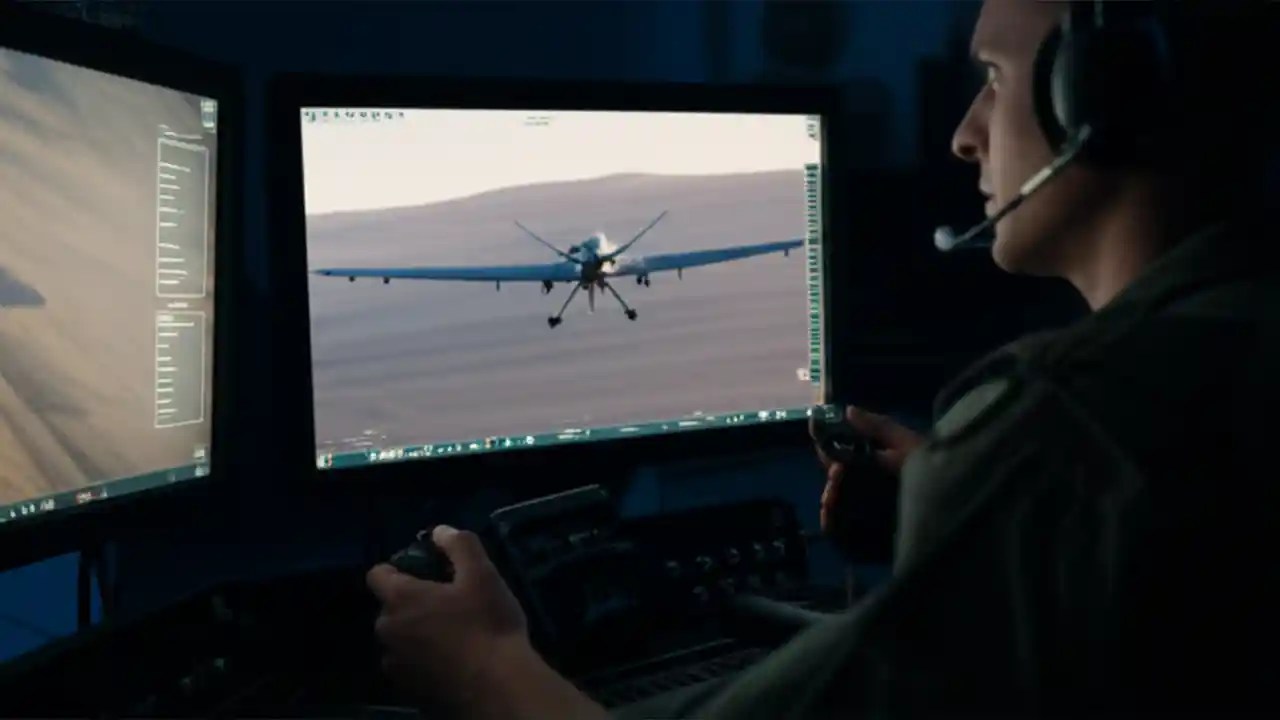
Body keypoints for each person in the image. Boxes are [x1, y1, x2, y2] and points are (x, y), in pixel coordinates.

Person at [367, 0, 1280, 717]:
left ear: (1099, 98)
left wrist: (481, 670)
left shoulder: (1063, 420)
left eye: (995, 78)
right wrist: (964, 504)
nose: (964, 133)